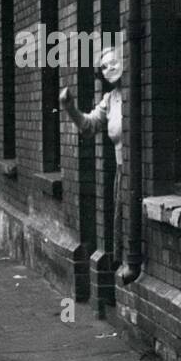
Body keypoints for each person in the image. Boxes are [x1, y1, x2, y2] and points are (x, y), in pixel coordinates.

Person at [59, 46, 124, 266]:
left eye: (113, 62)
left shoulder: (138, 91)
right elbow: (89, 126)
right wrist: (70, 108)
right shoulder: (110, 98)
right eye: (103, 67)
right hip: (122, 172)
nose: (109, 69)